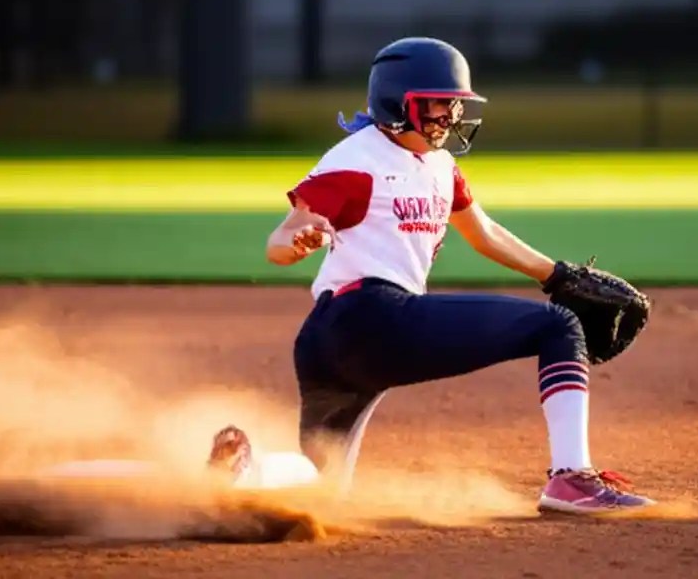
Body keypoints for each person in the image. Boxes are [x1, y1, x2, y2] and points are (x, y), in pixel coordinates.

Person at [206, 37, 655, 514]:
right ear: (399, 103)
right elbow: (279, 241)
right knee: (558, 326)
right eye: (439, 103)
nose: (451, 115)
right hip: (367, 317)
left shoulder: (441, 166)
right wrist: (297, 241)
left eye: (456, 104)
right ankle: (571, 479)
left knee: (321, 491)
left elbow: (483, 233)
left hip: (338, 343)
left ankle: (246, 471)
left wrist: (558, 275)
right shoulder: (358, 160)